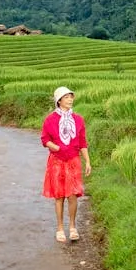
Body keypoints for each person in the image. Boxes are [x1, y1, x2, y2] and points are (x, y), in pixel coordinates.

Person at [40, 86, 91, 242]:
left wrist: (88, 161)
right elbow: (45, 139)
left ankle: (73, 227)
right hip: (57, 161)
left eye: (71, 96)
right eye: (67, 97)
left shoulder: (78, 119)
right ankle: (60, 228)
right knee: (59, 196)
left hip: (73, 160)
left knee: (73, 195)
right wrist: (55, 147)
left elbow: (82, 142)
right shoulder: (50, 119)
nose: (70, 99)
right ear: (59, 100)